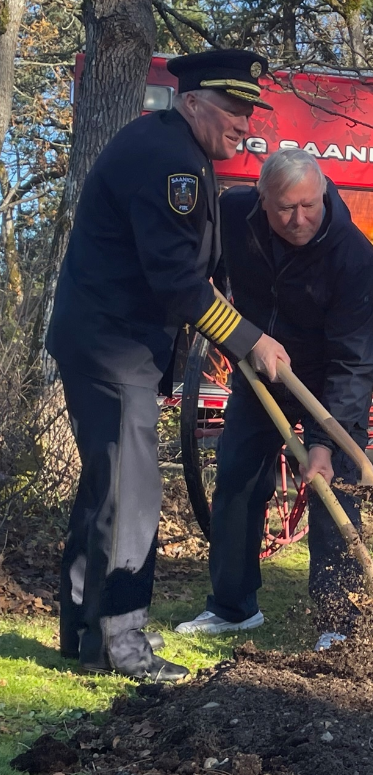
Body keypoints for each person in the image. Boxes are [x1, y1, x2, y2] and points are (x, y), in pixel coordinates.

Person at [46, 50, 289, 682]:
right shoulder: (172, 161)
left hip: (104, 343)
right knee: (132, 496)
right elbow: (180, 282)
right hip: (114, 349)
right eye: (233, 109)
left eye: (249, 110)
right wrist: (249, 341)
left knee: (109, 490)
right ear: (192, 101)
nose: (244, 123)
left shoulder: (178, 151)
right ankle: (122, 644)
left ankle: (81, 635)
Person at [175, 149, 373, 651]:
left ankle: (339, 620)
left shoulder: (352, 256)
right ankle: (233, 606)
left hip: (325, 382)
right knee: (238, 480)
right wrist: (234, 333)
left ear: (324, 191)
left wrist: (327, 444)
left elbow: (353, 361)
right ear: (262, 201)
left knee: (335, 495)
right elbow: (195, 267)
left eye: (309, 205)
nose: (299, 220)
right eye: (285, 208)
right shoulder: (234, 217)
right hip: (256, 371)